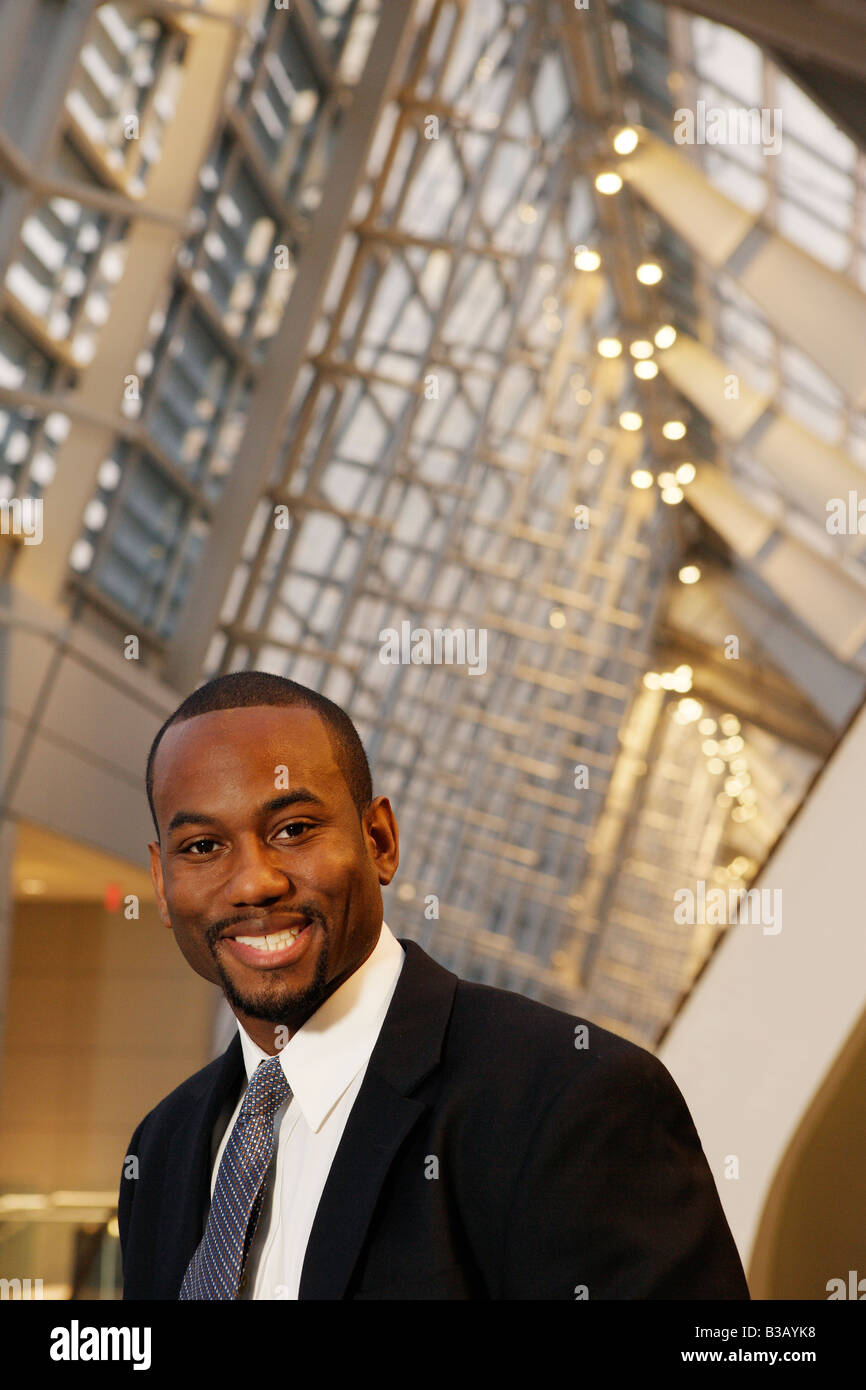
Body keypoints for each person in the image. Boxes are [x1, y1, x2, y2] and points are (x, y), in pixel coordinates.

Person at [118, 670, 749, 1300]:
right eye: (202, 846)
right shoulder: (161, 1149)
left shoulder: (570, 1101)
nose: (254, 882)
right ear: (162, 881)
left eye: (294, 830)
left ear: (380, 841)